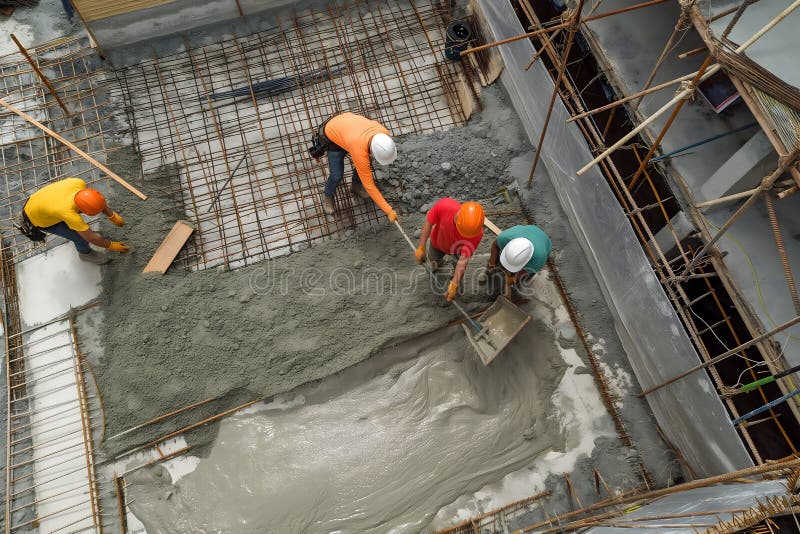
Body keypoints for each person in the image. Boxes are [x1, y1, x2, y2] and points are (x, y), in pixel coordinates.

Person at [23, 178, 130, 265]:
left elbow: (96, 200)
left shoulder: (78, 183)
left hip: (37, 202)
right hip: (37, 218)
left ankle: (85, 244)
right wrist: (110, 245)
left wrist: (112, 215)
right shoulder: (69, 213)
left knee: (82, 230)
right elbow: (91, 238)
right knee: (80, 237)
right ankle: (85, 254)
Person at [319, 112, 398, 223]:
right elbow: (370, 186)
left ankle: (356, 186)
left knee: (364, 165)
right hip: (332, 135)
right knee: (336, 175)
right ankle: (327, 195)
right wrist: (389, 210)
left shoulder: (384, 134)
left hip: (348, 129)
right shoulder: (359, 151)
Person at [415, 198, 484, 302]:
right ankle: (437, 266)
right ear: (458, 217)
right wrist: (421, 246)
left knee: (458, 271)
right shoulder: (445, 206)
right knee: (433, 259)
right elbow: (429, 223)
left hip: (458, 251)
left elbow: (463, 259)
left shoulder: (476, 233)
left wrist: (454, 283)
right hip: (438, 242)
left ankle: (456, 287)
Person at [479, 225, 552, 298]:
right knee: (495, 264)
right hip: (528, 230)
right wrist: (491, 265)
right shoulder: (504, 238)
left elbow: (524, 272)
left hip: (543, 242)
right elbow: (495, 246)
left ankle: (515, 288)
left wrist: (511, 280)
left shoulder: (538, 261)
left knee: (521, 280)